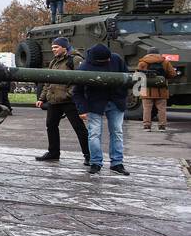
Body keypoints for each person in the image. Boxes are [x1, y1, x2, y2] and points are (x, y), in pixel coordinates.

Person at [72, 42, 129, 176]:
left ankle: (117, 163)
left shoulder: (116, 59)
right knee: (94, 134)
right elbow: (77, 91)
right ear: (97, 60)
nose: (109, 60)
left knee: (117, 132)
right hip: (95, 103)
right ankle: (96, 162)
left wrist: (122, 94)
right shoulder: (84, 68)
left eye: (109, 58)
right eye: (106, 60)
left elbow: (127, 77)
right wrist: (82, 109)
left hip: (115, 101)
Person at [34, 38, 89, 165]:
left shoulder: (75, 60)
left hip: (69, 101)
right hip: (54, 100)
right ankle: (53, 153)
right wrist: (42, 98)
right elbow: (48, 81)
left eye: (56, 47)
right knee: (51, 126)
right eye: (52, 48)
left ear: (65, 47)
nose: (54, 50)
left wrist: (69, 94)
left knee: (79, 128)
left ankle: (88, 155)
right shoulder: (54, 62)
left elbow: (80, 79)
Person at [137, 51, 175, 131]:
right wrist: (165, 77)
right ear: (158, 53)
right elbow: (172, 74)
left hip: (146, 89)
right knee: (162, 109)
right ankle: (162, 126)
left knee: (147, 109)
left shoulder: (143, 62)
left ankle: (147, 126)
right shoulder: (165, 62)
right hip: (162, 89)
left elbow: (137, 76)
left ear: (148, 53)